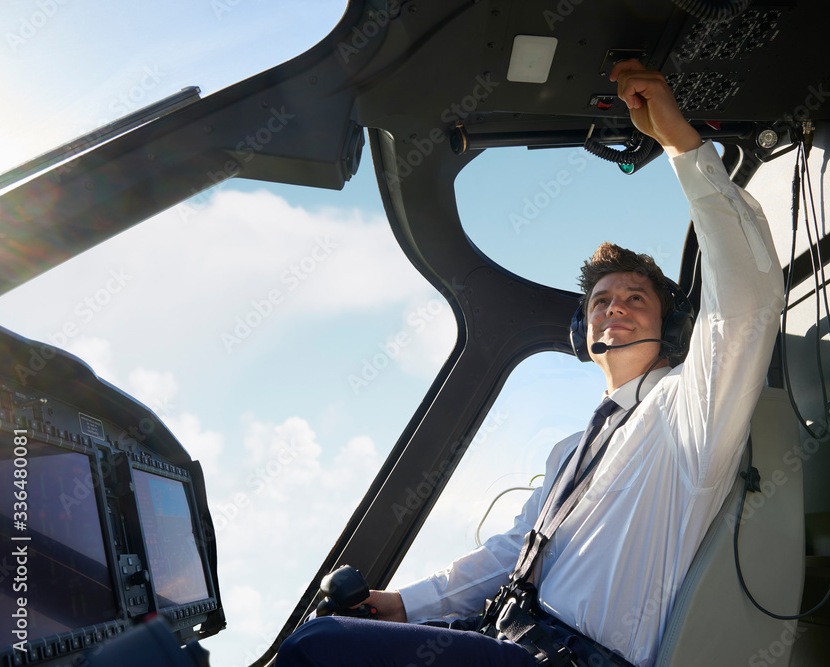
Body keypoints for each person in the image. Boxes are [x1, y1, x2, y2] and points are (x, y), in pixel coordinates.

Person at [274, 58, 784, 667]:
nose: (614, 309)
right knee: (331, 633)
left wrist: (682, 145)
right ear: (582, 329)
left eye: (635, 299)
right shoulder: (571, 451)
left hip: (580, 660)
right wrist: (407, 604)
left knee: (321, 650)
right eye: (601, 301)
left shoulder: (688, 414)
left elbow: (746, 305)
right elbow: (512, 553)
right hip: (511, 638)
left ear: (672, 328)